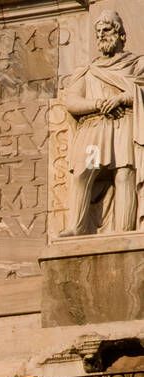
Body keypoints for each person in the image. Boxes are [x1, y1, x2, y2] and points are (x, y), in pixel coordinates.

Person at [60, 10, 144, 234]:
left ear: (120, 34)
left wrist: (122, 98)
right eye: (98, 32)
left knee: (125, 174)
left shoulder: (137, 65)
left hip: (124, 125)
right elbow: (72, 102)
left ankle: (125, 231)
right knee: (84, 173)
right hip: (95, 129)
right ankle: (76, 228)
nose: (101, 36)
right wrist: (98, 103)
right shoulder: (88, 71)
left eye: (106, 30)